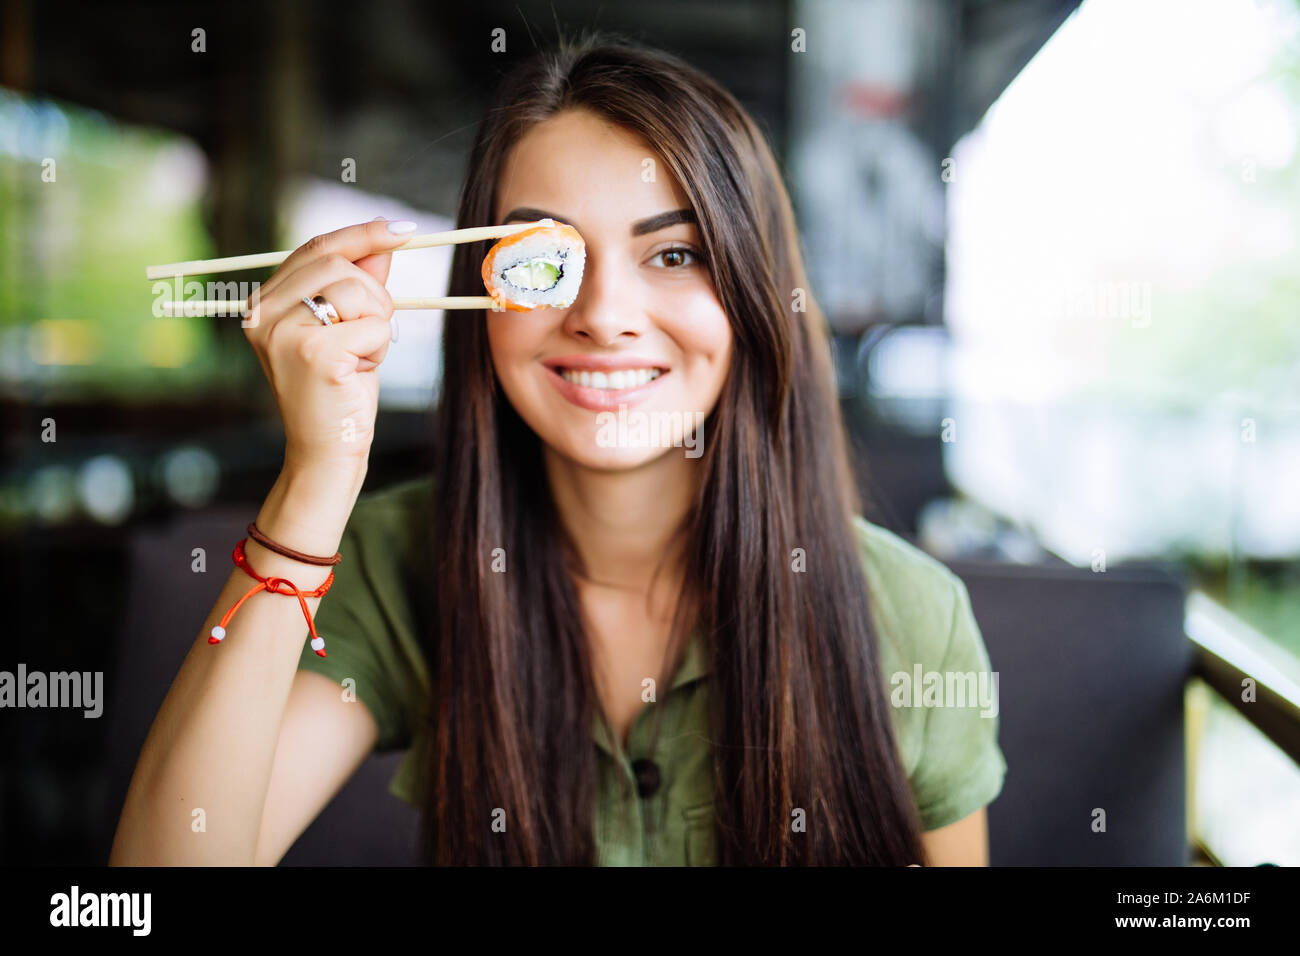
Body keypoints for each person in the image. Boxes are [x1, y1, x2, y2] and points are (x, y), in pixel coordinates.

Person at [110, 32, 1005, 867]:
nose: (605, 317)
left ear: (754, 298)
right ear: (481, 289)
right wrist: (317, 474)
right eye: (546, 260)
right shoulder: (402, 562)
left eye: (677, 255)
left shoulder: (911, 617)